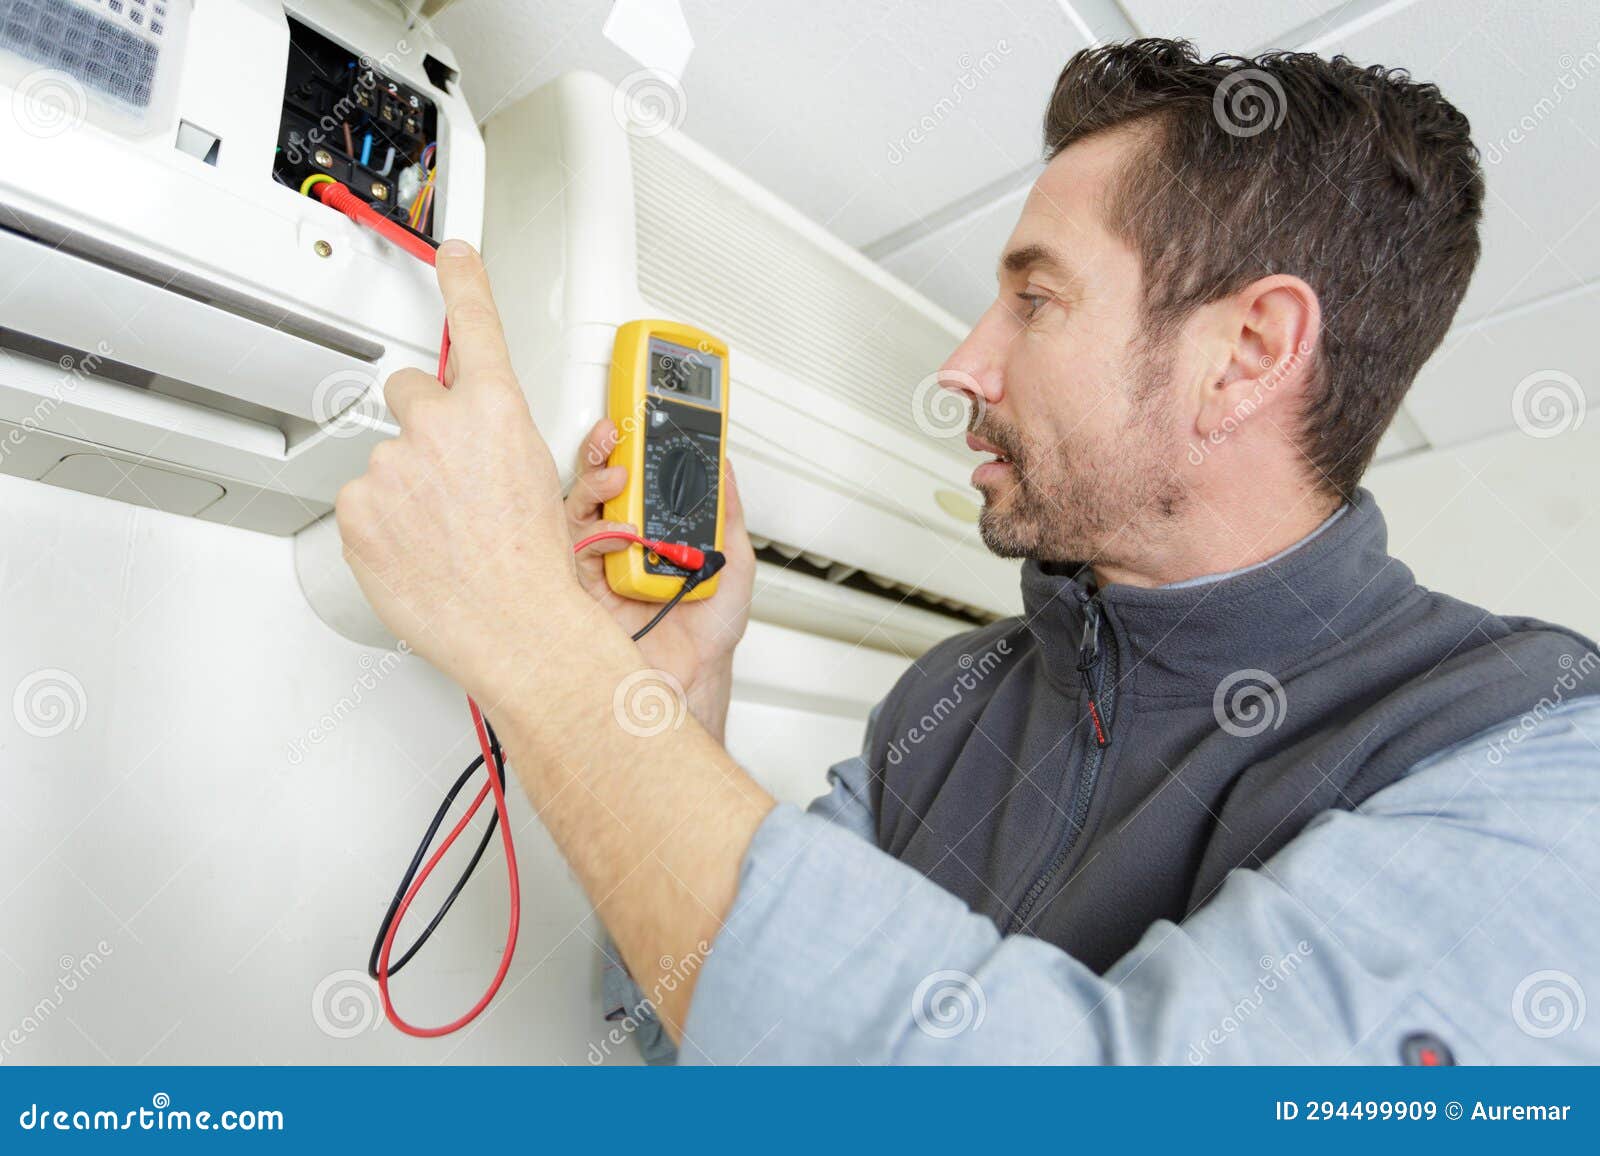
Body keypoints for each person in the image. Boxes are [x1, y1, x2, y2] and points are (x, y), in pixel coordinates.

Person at [334, 40, 1600, 1063]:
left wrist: (530, 641)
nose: (962, 367)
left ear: (1250, 352)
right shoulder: (942, 708)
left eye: (1035, 299)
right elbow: (666, 1028)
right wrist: (672, 689)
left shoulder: (1532, 746)